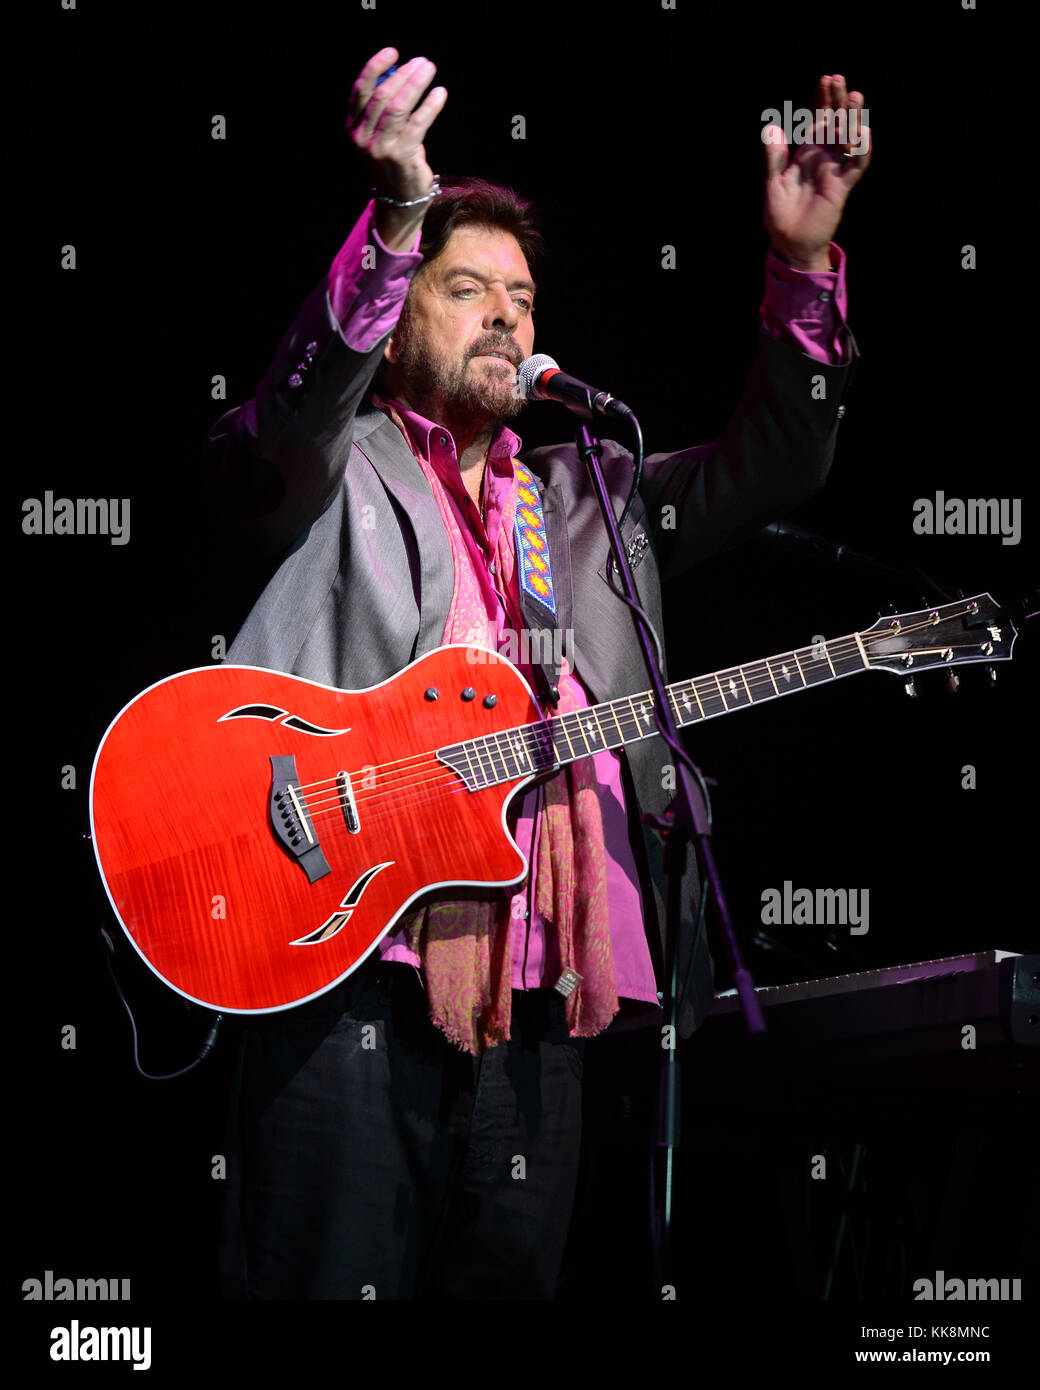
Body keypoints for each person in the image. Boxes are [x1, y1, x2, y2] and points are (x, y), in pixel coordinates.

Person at [208, 47, 870, 1299]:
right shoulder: (333, 463)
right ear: (395, 320)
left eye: (520, 295)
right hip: (354, 961)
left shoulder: (588, 496)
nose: (506, 316)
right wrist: (395, 215)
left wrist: (801, 260)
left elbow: (779, 458)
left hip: (543, 995)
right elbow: (286, 418)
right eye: (465, 289)